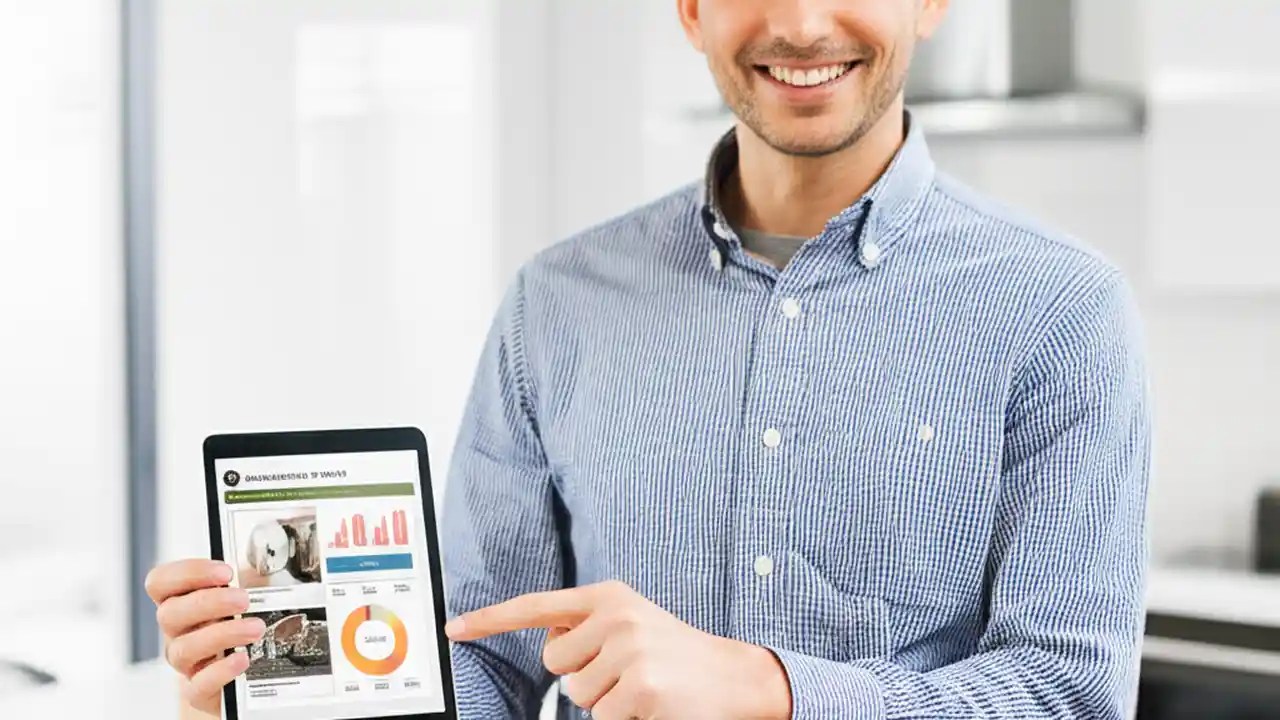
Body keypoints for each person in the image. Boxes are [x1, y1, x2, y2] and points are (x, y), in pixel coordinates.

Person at [146, 0, 1151, 717]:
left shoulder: (1060, 309)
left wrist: (770, 689)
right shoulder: (557, 303)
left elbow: (1068, 694)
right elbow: (485, 664)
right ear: (690, 9)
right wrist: (290, 695)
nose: (802, 24)